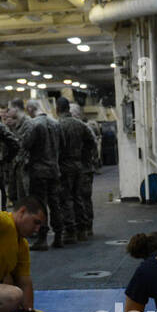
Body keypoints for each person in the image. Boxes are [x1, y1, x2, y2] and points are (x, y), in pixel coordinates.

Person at [20, 98, 63, 250]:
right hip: (54, 170)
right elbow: (62, 145)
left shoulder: (33, 124)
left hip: (38, 171)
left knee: (40, 205)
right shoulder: (56, 123)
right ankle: (59, 236)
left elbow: (25, 145)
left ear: (30, 109)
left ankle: (42, 238)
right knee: (55, 203)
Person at [55, 97, 88, 243]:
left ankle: (70, 232)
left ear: (57, 109)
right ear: (68, 108)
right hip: (78, 165)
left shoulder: (58, 126)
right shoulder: (80, 125)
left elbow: (55, 148)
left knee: (65, 199)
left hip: (64, 166)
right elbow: (91, 143)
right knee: (77, 197)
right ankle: (82, 230)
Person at [71, 102, 100, 240]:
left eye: (73, 114)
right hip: (79, 168)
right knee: (76, 199)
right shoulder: (76, 128)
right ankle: (79, 226)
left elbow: (93, 146)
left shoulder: (85, 128)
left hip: (84, 169)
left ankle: (88, 226)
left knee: (84, 198)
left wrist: (87, 158)